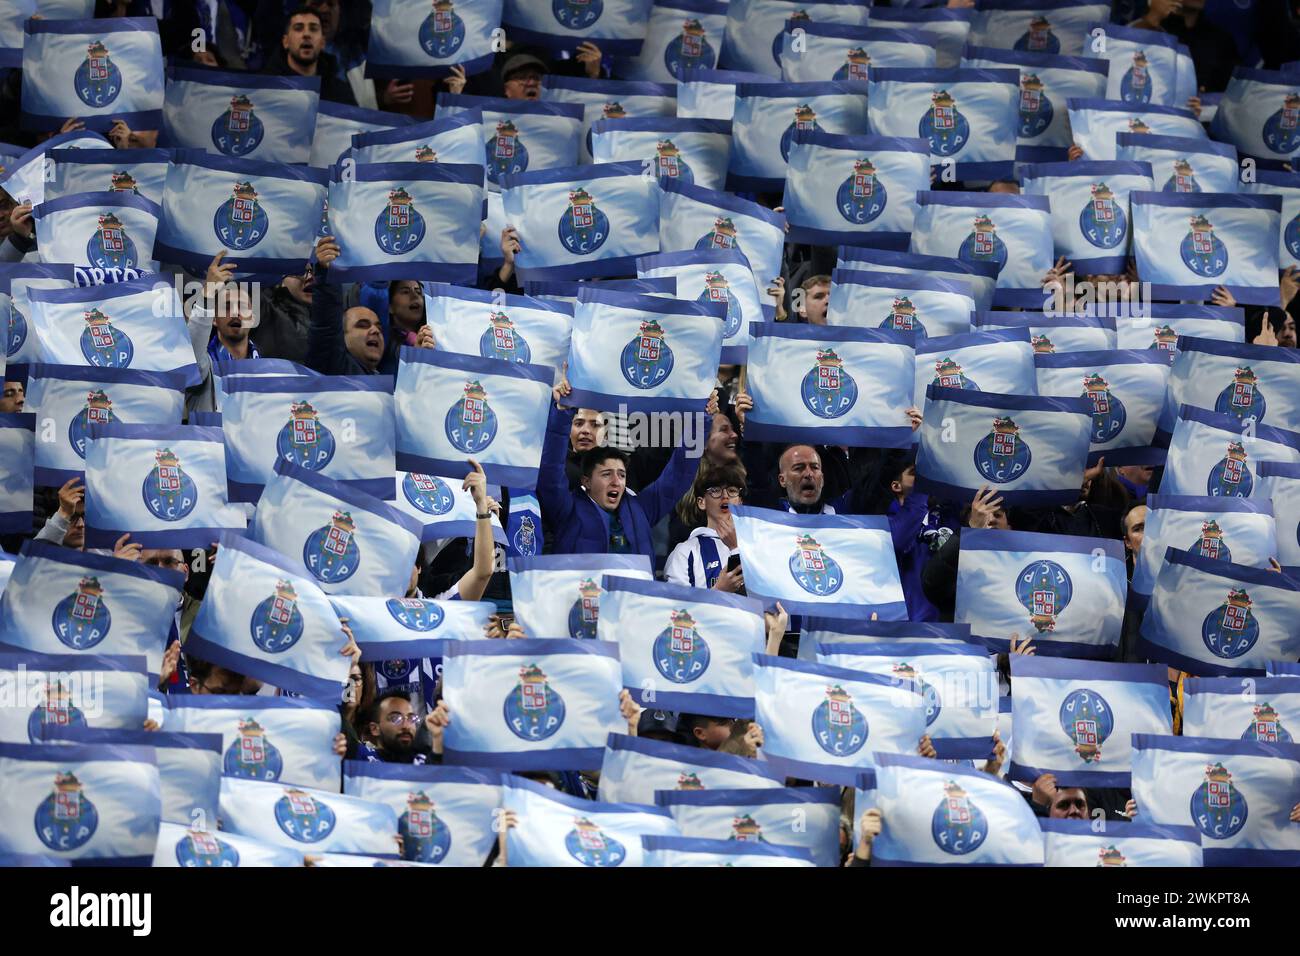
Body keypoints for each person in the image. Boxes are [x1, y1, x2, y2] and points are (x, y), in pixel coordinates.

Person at [537, 402, 697, 561]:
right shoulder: (568, 508)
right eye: (606, 474)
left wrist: (700, 421)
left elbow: (679, 474)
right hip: (583, 585)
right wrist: (562, 411)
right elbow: (550, 471)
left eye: (621, 475)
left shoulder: (641, 508)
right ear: (586, 481)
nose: (616, 481)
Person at [307, 236, 389, 375]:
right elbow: (327, 326)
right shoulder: (335, 368)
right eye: (362, 325)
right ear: (341, 337)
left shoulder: (382, 381)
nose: (375, 331)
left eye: (379, 328)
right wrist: (327, 272)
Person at [664, 464, 746, 591]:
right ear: (701, 502)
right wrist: (719, 590)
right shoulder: (685, 552)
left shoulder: (757, 546)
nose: (725, 496)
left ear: (740, 501)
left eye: (732, 490)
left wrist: (735, 548)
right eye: (715, 490)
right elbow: (678, 607)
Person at [264, 6, 357, 105]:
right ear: (285, 41)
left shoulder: (340, 93)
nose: (306, 34)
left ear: (322, 42)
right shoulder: (261, 88)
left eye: (313, 29)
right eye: (298, 28)